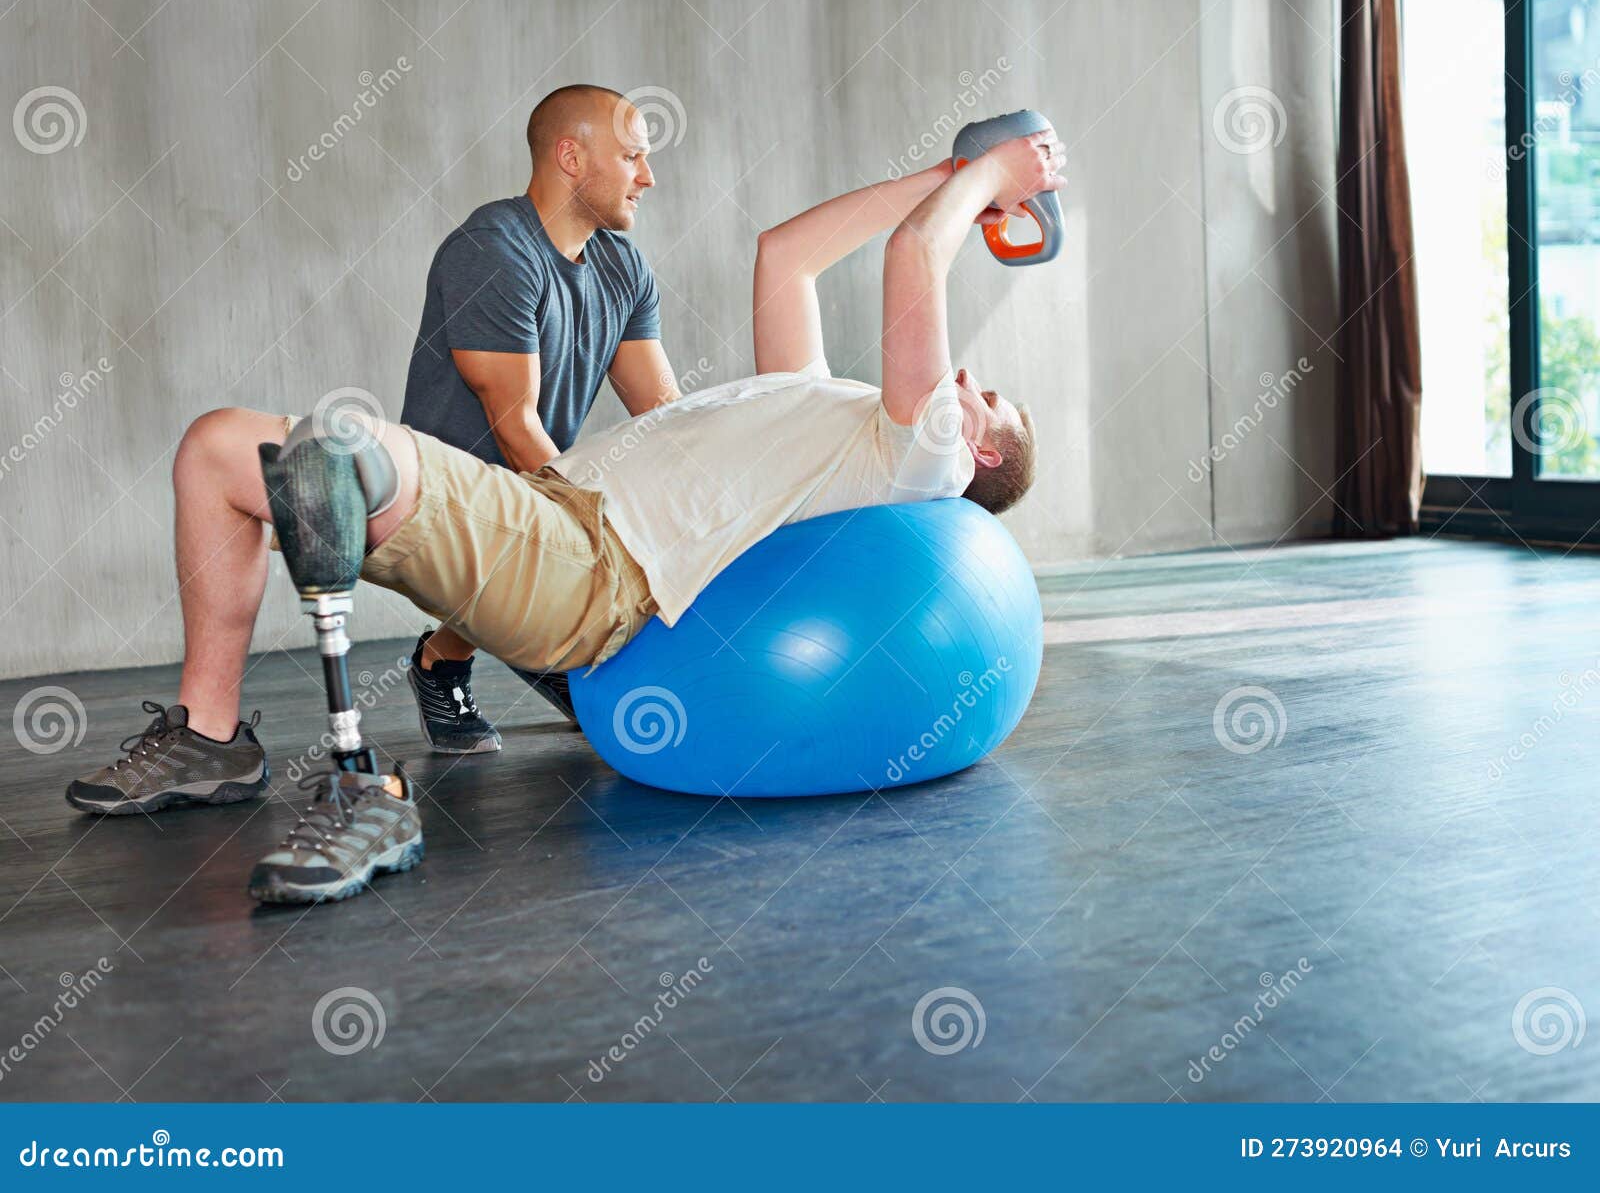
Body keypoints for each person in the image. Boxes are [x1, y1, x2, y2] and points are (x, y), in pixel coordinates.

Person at [63, 124, 1064, 905]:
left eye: (988, 400)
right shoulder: (821, 408)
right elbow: (787, 256)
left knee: (338, 448)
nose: (968, 381)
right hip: (541, 516)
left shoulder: (920, 456)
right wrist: (949, 171)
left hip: (583, 566)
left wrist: (994, 179)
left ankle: (365, 791)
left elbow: (912, 262)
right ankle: (209, 736)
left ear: (977, 451)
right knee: (217, 453)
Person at [401, 84, 680, 753]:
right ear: (571, 158)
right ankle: (463, 656)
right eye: (633, 156)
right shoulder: (492, 251)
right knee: (559, 544)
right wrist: (588, 549)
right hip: (444, 498)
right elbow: (514, 425)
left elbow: (662, 415)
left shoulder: (623, 266)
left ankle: (542, 644)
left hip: (533, 479)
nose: (649, 176)